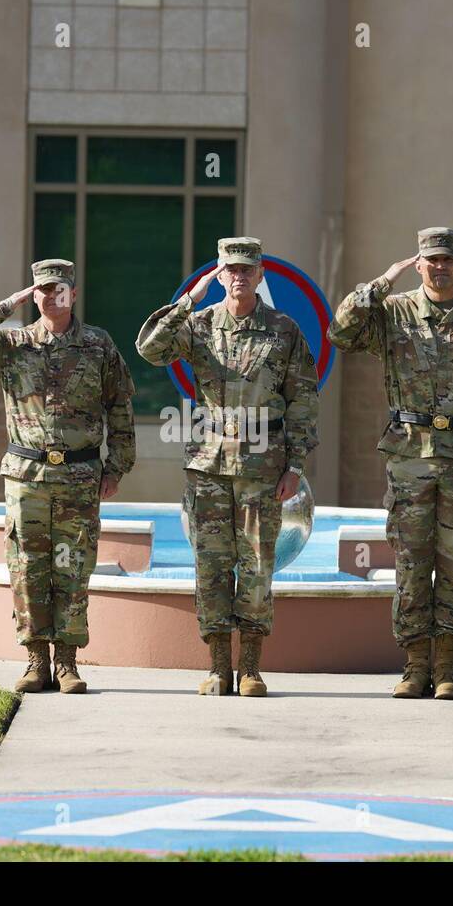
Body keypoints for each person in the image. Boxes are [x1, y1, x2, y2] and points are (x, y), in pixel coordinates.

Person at [329, 227, 453, 699]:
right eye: (431, 260)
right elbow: (341, 332)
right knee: (411, 562)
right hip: (410, 457)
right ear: (419, 263)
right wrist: (381, 282)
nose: (439, 267)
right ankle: (414, 667)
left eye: (447, 259)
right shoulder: (393, 313)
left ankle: (447, 668)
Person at [136, 237, 319, 697]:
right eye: (230, 269)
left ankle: (251, 668)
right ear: (219, 275)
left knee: (257, 566)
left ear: (260, 275)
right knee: (211, 566)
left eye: (247, 269)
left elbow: (303, 401)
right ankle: (218, 666)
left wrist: (295, 465)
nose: (239, 276)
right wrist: (189, 299)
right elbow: (151, 350)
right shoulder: (198, 325)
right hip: (209, 465)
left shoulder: (284, 329)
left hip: (264, 464)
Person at [0, 259, 135, 694]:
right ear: (34, 294)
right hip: (27, 475)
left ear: (73, 292)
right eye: (43, 289)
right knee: (27, 566)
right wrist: (5, 306)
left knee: (73, 566)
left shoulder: (97, 345)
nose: (53, 296)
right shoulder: (11, 343)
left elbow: (120, 407)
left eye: (60, 288)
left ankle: (67, 663)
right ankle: (35, 660)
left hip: (81, 474)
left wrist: (117, 466)